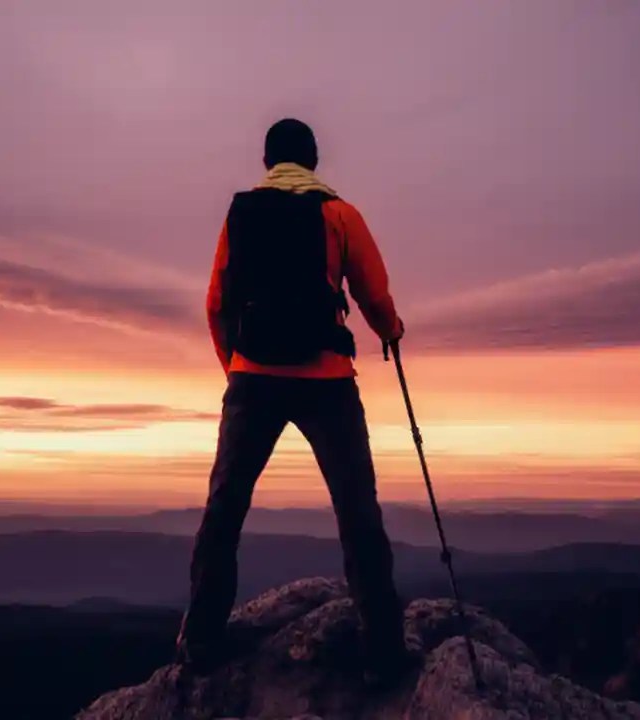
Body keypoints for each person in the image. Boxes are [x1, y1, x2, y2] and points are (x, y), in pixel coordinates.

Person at [175, 118, 409, 682]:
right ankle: (382, 647)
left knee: (225, 508)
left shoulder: (241, 215)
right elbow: (373, 294)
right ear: (314, 161)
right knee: (357, 510)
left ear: (267, 162)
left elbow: (215, 302)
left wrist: (235, 366)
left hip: (253, 377)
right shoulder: (339, 214)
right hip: (327, 378)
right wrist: (391, 330)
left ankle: (201, 640)